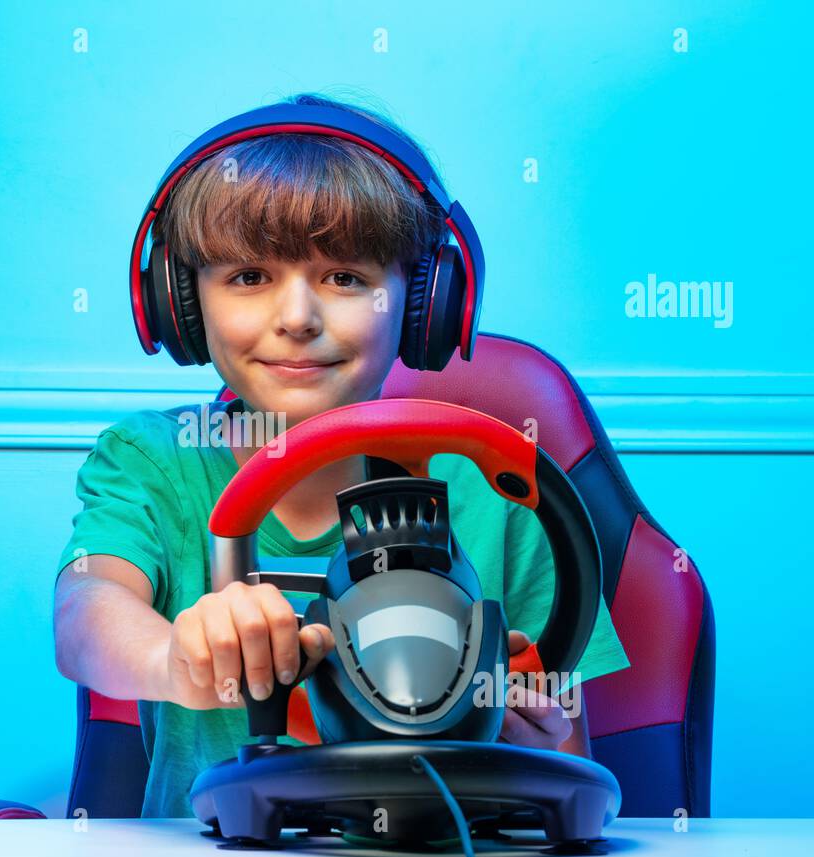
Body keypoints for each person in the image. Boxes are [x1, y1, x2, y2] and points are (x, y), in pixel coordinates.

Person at [53, 91, 631, 819]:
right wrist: (176, 660)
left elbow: (570, 754)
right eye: (249, 277)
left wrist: (535, 739)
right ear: (183, 303)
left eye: (347, 278)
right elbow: (85, 611)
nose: (297, 319)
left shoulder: (493, 483)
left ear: (426, 302)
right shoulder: (153, 459)